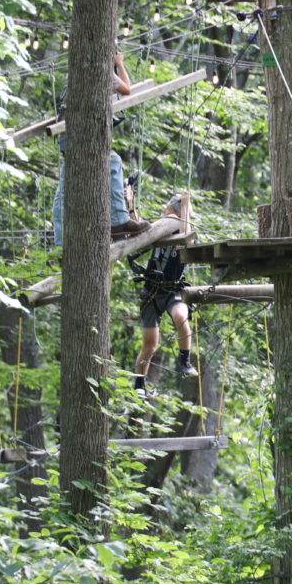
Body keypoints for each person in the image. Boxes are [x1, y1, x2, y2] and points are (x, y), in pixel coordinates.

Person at [53, 50, 150, 245]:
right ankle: (118, 220)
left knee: (65, 187)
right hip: (85, 135)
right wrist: (119, 63)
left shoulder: (77, 71)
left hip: (68, 136)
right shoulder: (101, 69)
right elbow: (127, 89)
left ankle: (61, 243)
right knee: (113, 161)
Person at [128, 194, 197, 394]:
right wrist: (131, 202)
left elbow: (186, 235)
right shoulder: (158, 229)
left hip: (173, 290)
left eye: (170, 210)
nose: (166, 213)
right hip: (152, 291)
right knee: (149, 344)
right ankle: (140, 385)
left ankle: (185, 360)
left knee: (180, 317)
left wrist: (184, 206)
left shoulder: (187, 230)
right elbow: (137, 229)